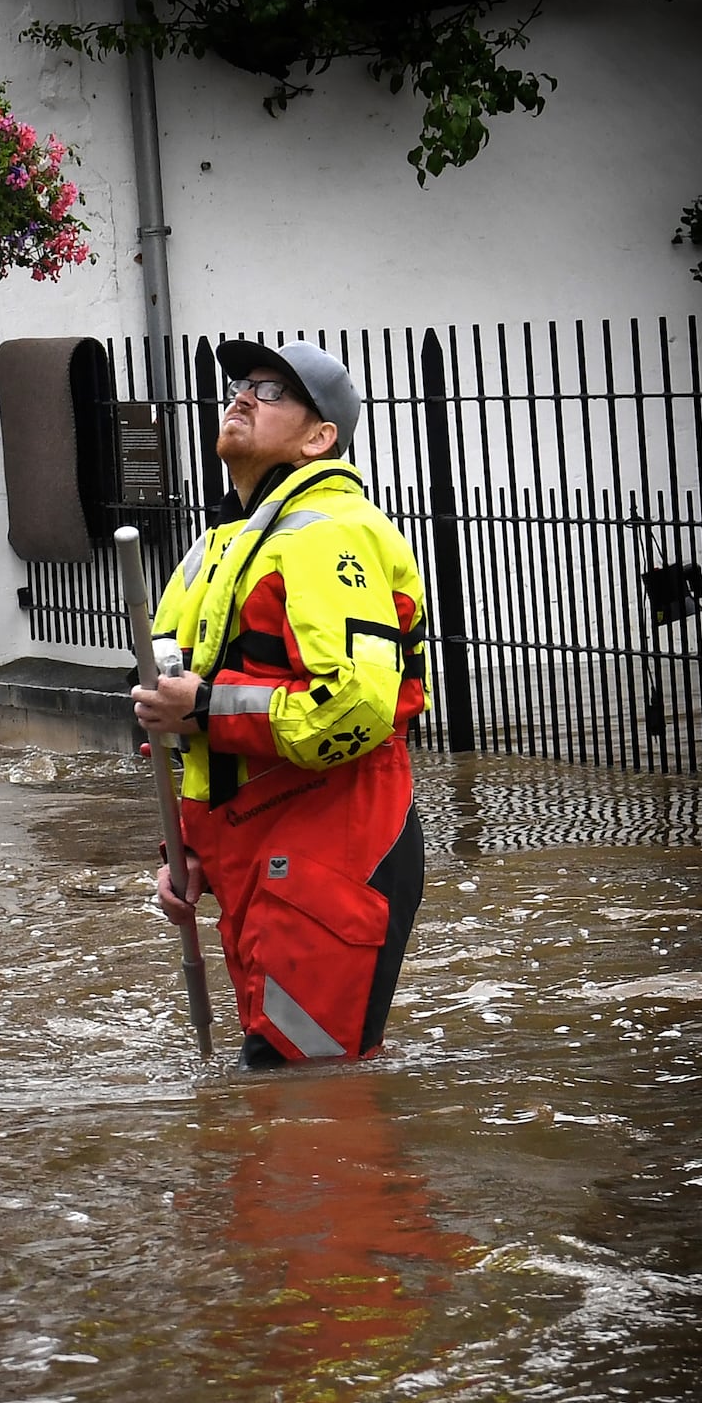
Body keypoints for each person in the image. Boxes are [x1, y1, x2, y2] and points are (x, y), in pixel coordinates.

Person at [132, 341, 429, 1070]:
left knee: (309, 1107)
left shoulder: (334, 532)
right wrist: (188, 850)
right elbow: (172, 723)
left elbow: (355, 709)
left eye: (270, 391)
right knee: (283, 1109)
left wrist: (202, 708)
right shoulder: (213, 551)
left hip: (334, 854)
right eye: (239, 384)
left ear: (319, 437)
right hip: (256, 865)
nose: (241, 396)